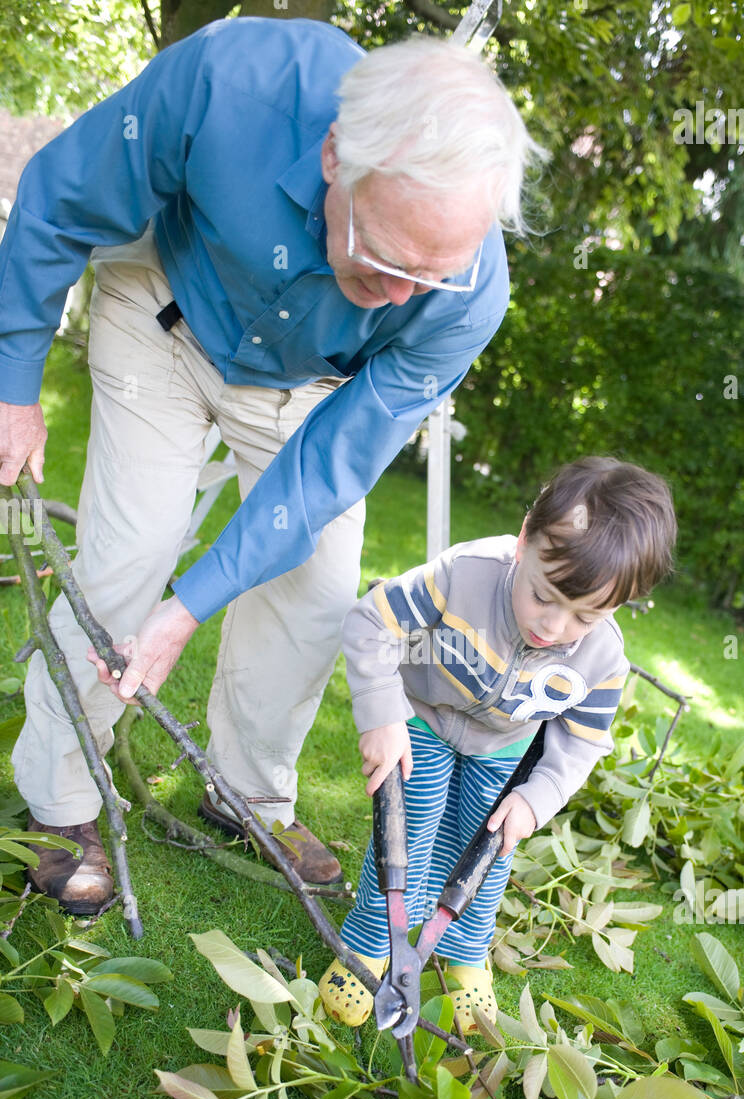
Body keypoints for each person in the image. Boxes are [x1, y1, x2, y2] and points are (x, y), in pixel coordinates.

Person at [0, 17, 547, 910]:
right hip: (162, 317)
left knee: (318, 591)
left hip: (312, 393)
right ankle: (59, 803)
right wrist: (13, 380)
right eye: (387, 259)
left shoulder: (466, 295)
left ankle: (246, 794)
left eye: (433, 276)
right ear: (337, 156)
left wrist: (195, 605)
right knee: (127, 561)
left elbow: (333, 463)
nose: (406, 297)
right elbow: (61, 198)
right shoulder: (232, 81)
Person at [318, 455, 677, 1031]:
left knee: (486, 852)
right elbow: (371, 622)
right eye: (544, 596)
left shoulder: (604, 656)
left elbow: (582, 742)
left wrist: (539, 797)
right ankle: (369, 943)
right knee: (409, 829)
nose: (554, 628)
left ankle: (462, 956)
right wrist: (382, 713)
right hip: (425, 719)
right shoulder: (465, 573)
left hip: (502, 749)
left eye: (584, 616)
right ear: (524, 539)